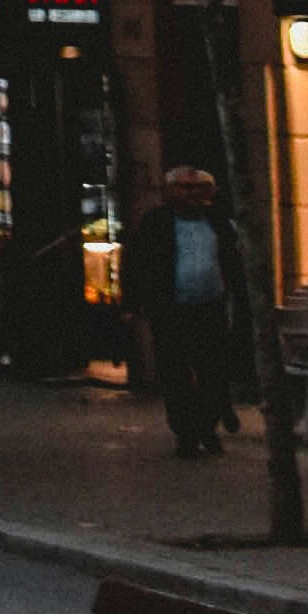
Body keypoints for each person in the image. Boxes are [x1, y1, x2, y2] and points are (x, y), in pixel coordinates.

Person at [130, 165, 242, 459]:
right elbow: (139, 262)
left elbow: (233, 262)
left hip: (210, 308)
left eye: (198, 189)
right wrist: (133, 303)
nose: (191, 195)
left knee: (214, 372)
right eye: (183, 188)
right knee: (175, 374)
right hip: (171, 309)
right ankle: (186, 432)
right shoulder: (156, 223)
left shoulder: (220, 223)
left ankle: (207, 425)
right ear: (170, 192)